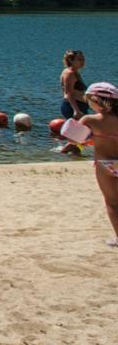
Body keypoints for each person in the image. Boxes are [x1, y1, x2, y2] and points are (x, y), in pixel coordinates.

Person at [65, 82, 118, 247]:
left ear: (97, 100)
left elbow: (75, 140)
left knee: (112, 202)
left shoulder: (89, 119)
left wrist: (89, 139)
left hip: (105, 164)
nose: (89, 104)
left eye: (89, 101)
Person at [61, 50, 92, 123]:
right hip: (74, 107)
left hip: (80, 106)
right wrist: (76, 110)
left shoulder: (75, 72)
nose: (82, 62)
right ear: (70, 60)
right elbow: (68, 93)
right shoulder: (69, 73)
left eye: (83, 59)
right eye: (79, 59)